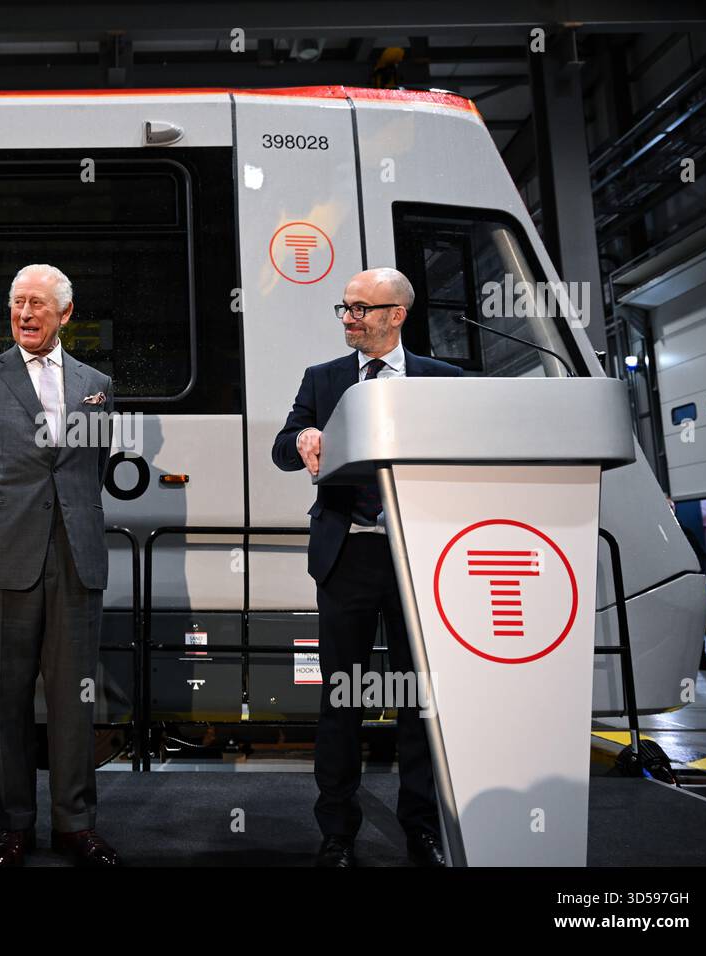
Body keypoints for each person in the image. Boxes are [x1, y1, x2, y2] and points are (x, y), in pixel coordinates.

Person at [271, 267, 461, 868]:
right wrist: (301, 435)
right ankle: (337, 833)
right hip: (347, 555)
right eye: (344, 308)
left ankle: (423, 829)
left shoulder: (444, 380)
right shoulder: (323, 380)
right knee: (340, 700)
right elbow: (281, 449)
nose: (349, 317)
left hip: (419, 557)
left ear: (396, 315)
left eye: (360, 308)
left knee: (420, 702)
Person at [0, 263, 120, 867]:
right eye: (17, 304)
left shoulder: (97, 382)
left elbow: (92, 466)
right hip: (3, 554)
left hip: (76, 556)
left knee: (76, 700)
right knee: (8, 698)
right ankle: (13, 826)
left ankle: (76, 825)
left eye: (37, 305)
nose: (24, 314)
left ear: (65, 314)